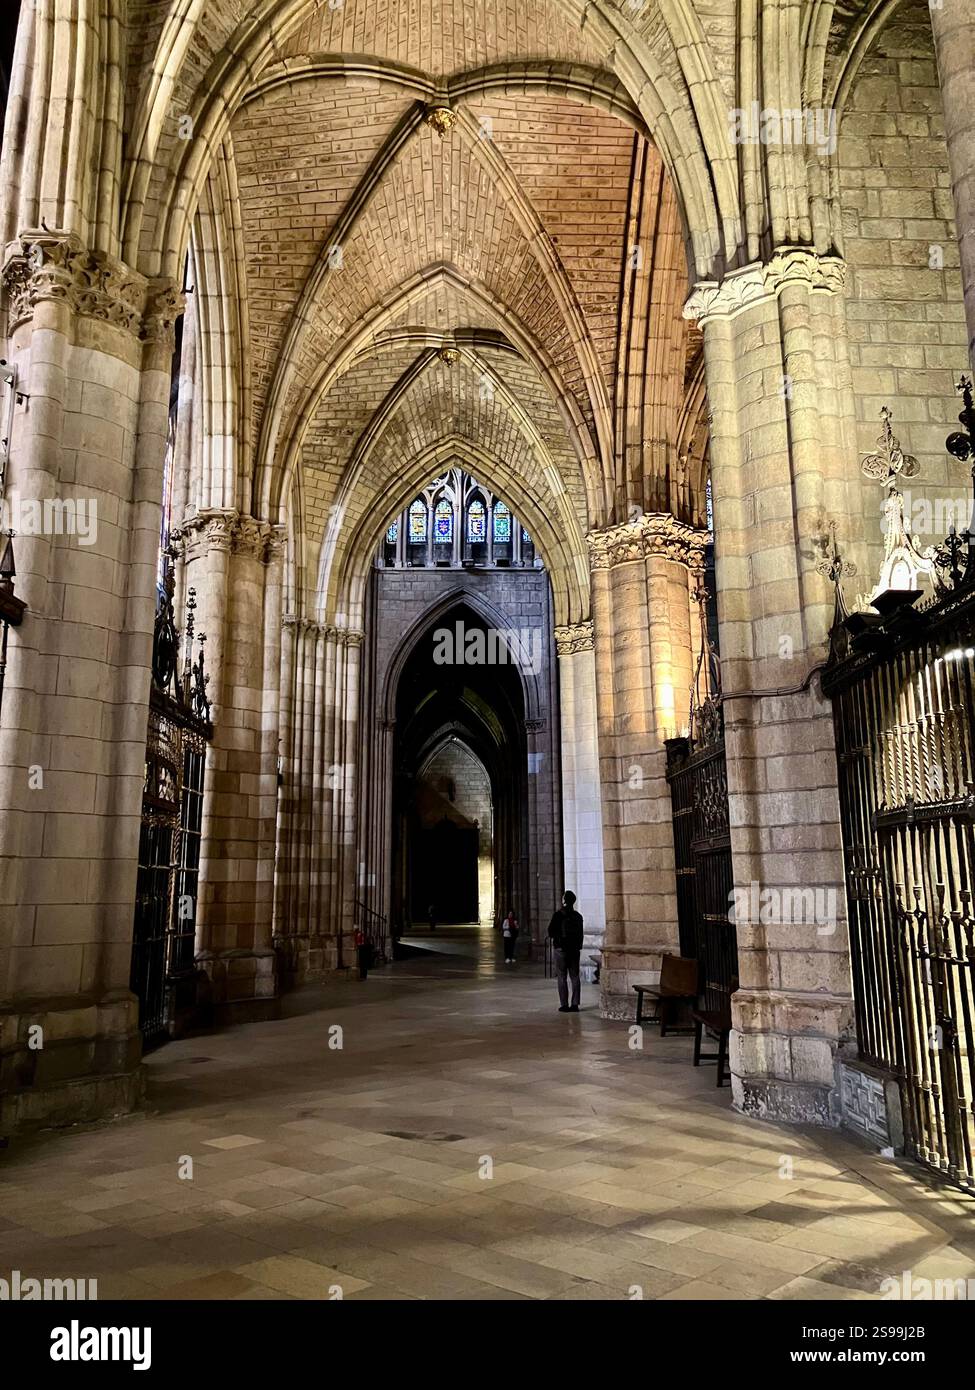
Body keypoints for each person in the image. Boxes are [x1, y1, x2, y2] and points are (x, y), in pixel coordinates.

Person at [548, 890, 583, 1012]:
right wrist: (578, 947)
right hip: (574, 950)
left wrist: (559, 940)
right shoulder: (578, 916)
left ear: (564, 901)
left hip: (561, 950)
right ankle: (575, 1004)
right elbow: (580, 935)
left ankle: (564, 1004)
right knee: (575, 977)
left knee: (562, 977)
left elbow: (550, 931)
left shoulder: (558, 915)